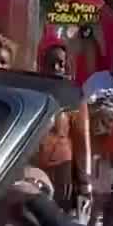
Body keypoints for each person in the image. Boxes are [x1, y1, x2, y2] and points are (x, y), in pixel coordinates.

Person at [37, 40, 91, 209]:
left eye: (61, 63)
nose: (56, 68)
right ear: (41, 66)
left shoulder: (73, 97)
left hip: (61, 172)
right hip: (33, 170)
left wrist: (84, 183)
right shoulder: (33, 92)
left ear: (67, 67)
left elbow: (82, 142)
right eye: (50, 63)